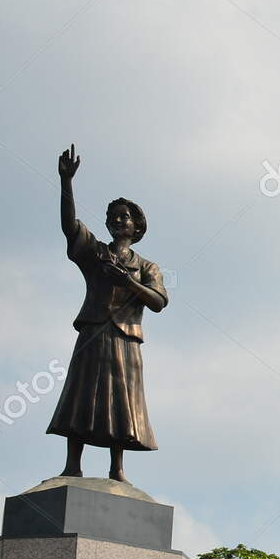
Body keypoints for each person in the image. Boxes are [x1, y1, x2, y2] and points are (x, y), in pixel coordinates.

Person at [47, 144, 167, 482]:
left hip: (125, 339)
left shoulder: (146, 266)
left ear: (136, 227)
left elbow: (158, 301)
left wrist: (128, 282)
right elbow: (70, 227)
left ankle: (117, 469)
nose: (117, 220)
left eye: (124, 216)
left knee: (122, 399)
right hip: (93, 332)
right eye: (112, 215)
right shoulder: (97, 253)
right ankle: (73, 465)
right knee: (82, 393)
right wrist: (66, 183)